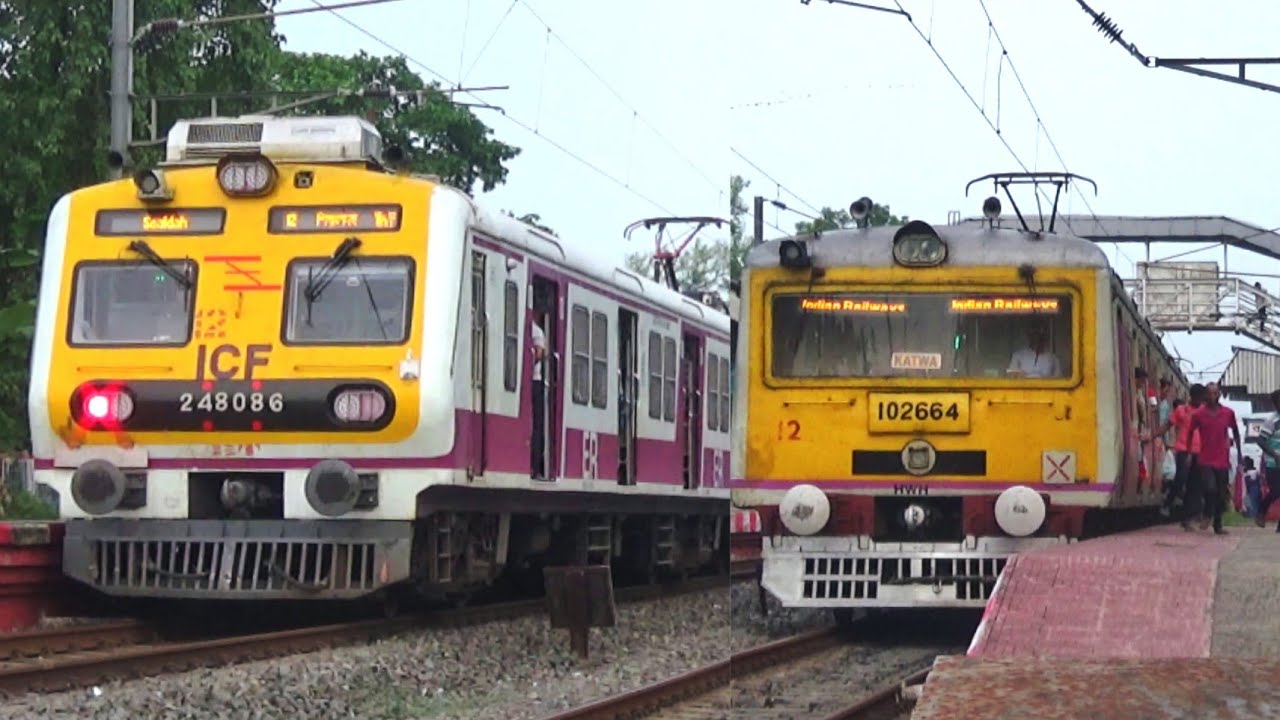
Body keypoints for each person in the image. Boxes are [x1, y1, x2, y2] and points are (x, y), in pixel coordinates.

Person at [1186, 382, 1240, 535]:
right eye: (1209, 393)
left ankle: (1218, 524)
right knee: (1210, 489)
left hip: (1222, 459)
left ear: (1219, 395)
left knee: (1221, 494)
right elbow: (1190, 432)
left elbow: (1235, 431)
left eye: (1214, 393)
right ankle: (1207, 513)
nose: (1211, 396)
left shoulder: (1228, 413)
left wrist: (1239, 453)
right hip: (1205, 459)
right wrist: (1189, 452)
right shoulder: (1198, 415)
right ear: (1205, 395)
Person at [1152, 385, 1204, 517]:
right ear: (1192, 397)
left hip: (1199, 451)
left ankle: (1190, 513)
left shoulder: (1205, 412)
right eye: (1198, 398)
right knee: (1181, 478)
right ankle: (1168, 503)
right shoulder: (1181, 410)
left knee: (1195, 483)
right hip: (1183, 449)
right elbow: (1167, 425)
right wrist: (1153, 436)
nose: (1199, 400)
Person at [1254, 389, 1280, 530]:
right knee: (1276, 491)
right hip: (1273, 463)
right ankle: (1261, 511)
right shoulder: (1272, 421)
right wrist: (1274, 455)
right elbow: (1260, 440)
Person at [530, 313, 548, 481]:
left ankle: (535, 466)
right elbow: (540, 353)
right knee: (537, 425)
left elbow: (538, 353)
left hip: (532, 381)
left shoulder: (534, 331)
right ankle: (535, 467)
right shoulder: (536, 331)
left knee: (535, 426)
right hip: (534, 381)